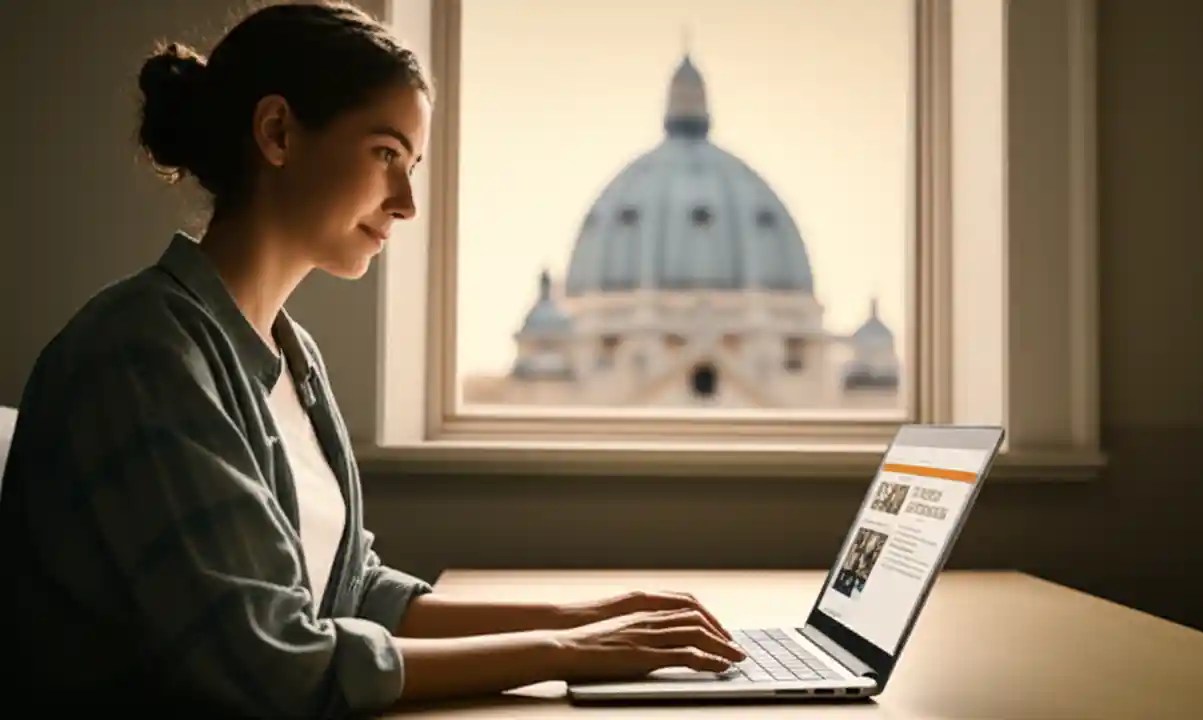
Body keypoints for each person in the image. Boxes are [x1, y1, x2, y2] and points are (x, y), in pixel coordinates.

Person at [0, 2, 745, 716]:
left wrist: (592, 617)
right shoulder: (144, 356)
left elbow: (350, 591)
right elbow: (279, 663)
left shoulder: (290, 356)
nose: (407, 202)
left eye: (413, 162)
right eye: (386, 153)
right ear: (278, 132)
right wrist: (564, 651)